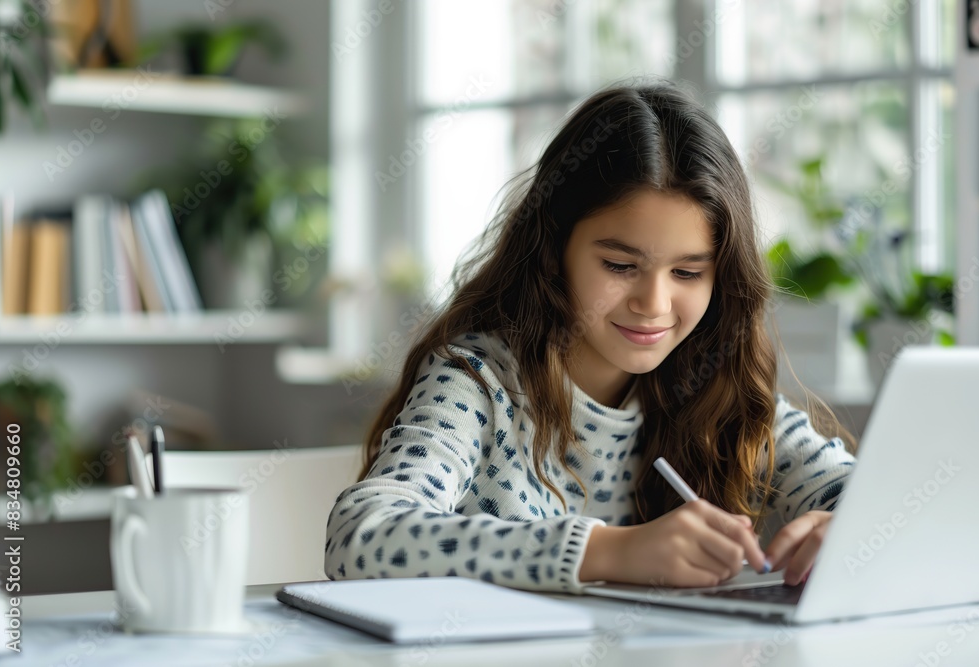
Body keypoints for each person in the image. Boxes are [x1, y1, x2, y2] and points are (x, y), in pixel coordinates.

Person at [325, 81, 857, 595]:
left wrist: (851, 525)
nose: (653, 304)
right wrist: (610, 552)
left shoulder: (717, 386)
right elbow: (358, 536)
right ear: (555, 249)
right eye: (621, 265)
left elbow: (875, 495)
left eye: (688, 273)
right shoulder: (477, 382)